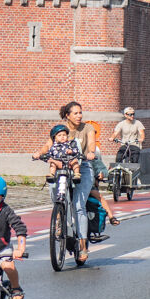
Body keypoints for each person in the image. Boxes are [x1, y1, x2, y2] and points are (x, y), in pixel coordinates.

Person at [58, 101, 97, 262]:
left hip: (83, 167)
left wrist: (91, 153)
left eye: (80, 112)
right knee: (57, 192)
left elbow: (92, 143)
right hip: (63, 168)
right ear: (67, 115)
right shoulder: (61, 130)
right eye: (75, 113)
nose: (79, 116)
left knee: (78, 206)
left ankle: (83, 247)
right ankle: (59, 221)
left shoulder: (87, 128)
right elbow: (50, 144)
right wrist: (40, 153)